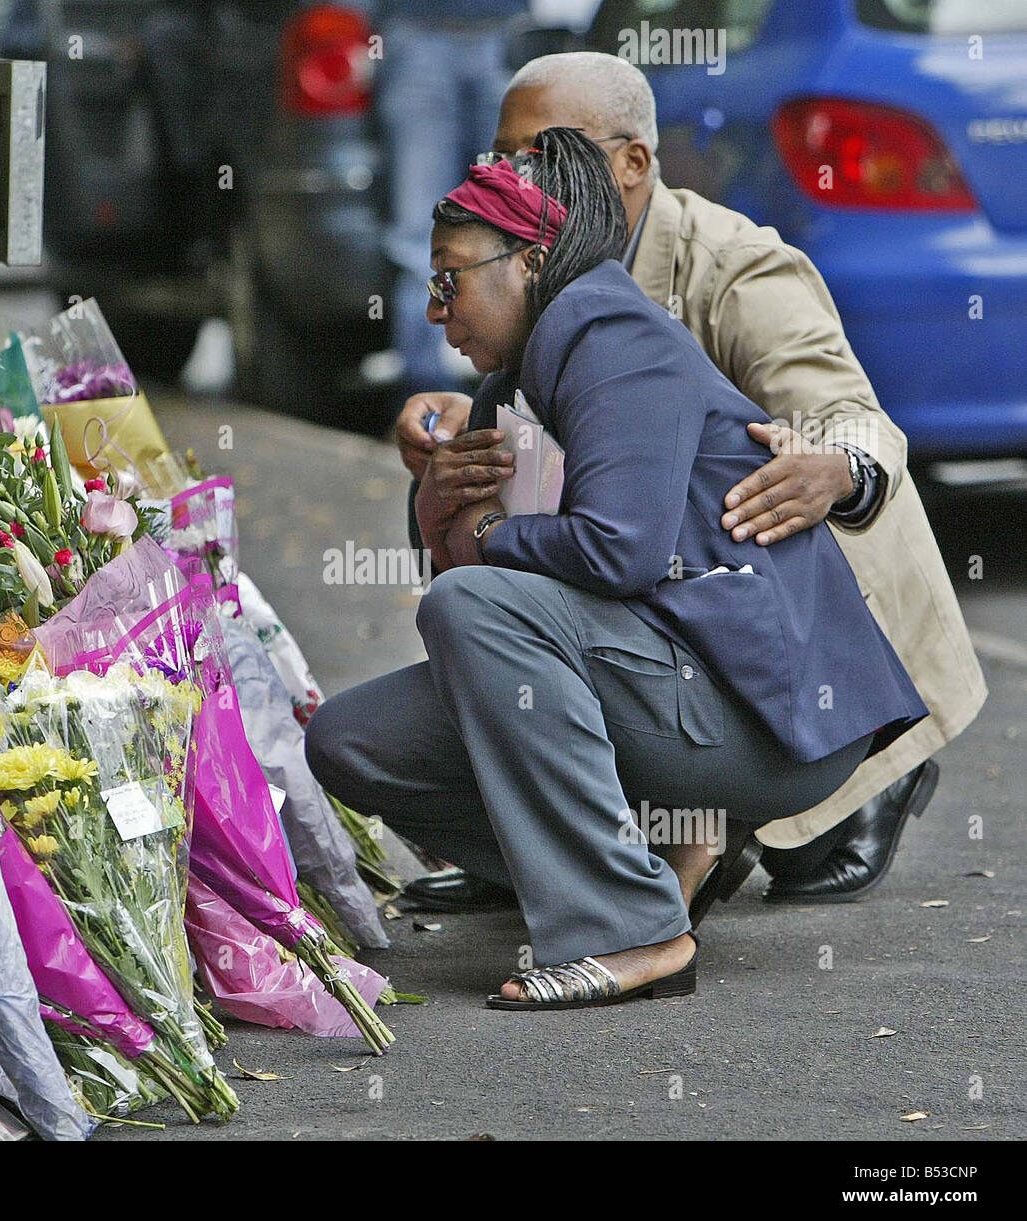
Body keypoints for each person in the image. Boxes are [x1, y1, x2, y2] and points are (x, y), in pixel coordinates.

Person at [304, 129, 928, 1008]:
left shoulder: (606, 331)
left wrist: (482, 540)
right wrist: (437, 504)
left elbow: (613, 551)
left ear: (531, 259)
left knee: (477, 604)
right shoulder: (510, 377)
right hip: (668, 677)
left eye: (450, 280)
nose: (437, 311)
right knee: (352, 741)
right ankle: (640, 862)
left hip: (762, 713)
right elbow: (464, 582)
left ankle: (634, 933)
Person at [394, 52, 984, 912]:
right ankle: (559, 843)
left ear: (632, 164)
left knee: (799, 863)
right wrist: (462, 424)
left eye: (544, 152)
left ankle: (876, 767)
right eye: (505, 155)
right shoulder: (522, 266)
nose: (517, 174)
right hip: (662, 575)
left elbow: (847, 413)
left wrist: (839, 470)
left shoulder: (735, 266)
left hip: (784, 587)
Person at [375, 1, 530, 406]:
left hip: (505, 37)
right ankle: (424, 393)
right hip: (417, 34)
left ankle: (517, 386)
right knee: (419, 231)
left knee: (515, 221)